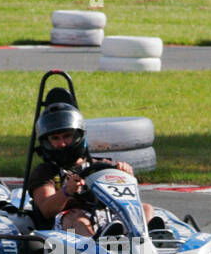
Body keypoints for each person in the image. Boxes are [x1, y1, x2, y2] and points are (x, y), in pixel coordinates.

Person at [26, 100, 154, 236]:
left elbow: (126, 200)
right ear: (47, 142)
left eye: (67, 136)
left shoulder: (101, 165)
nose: (62, 143)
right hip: (64, 232)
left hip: (105, 218)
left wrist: (126, 176)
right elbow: (46, 210)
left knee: (145, 209)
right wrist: (66, 192)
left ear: (78, 136)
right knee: (78, 219)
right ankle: (100, 251)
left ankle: (147, 243)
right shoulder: (45, 172)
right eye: (55, 138)